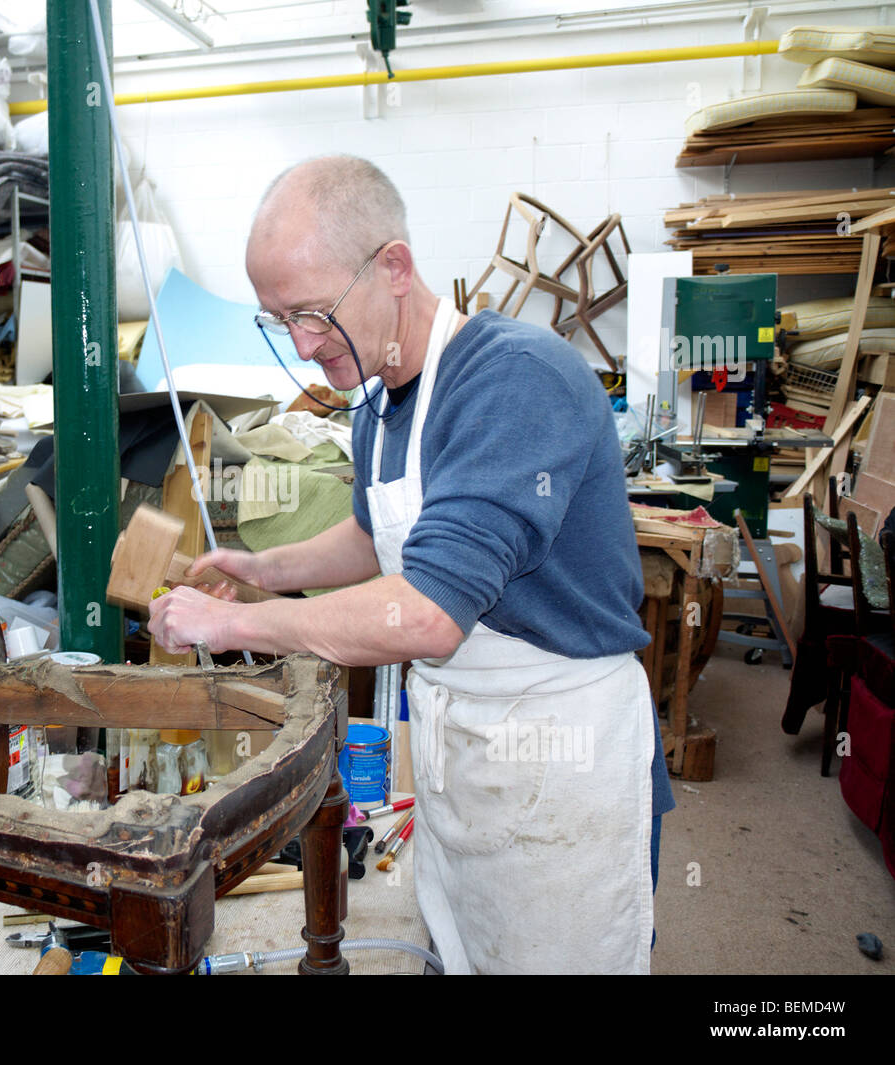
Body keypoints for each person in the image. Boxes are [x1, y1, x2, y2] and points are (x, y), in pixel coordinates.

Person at [147, 155, 675, 974]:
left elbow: (427, 610)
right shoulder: (380, 394)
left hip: (556, 745)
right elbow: (374, 533)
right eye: (277, 320)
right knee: (465, 945)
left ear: (393, 267)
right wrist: (258, 568)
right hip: (459, 736)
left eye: (313, 313)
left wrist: (236, 622)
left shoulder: (514, 381)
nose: (303, 343)